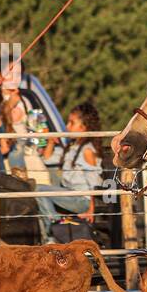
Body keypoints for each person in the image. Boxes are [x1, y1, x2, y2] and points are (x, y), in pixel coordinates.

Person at [36, 102, 104, 241]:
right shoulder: (72, 147)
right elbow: (48, 160)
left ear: (84, 127)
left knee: (38, 190)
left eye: (72, 123)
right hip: (69, 193)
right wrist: (50, 142)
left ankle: (53, 233)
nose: (67, 127)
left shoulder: (87, 151)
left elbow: (94, 183)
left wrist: (91, 210)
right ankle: (54, 231)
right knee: (38, 191)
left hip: (81, 199)